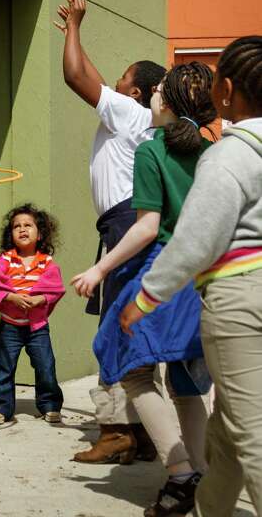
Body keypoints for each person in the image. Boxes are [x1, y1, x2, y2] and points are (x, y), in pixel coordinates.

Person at [120, 36, 262, 517]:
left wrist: (145, 297)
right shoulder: (223, 149)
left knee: (252, 440)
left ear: (226, 90)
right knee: (225, 441)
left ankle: (186, 479)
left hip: (237, 300)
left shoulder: (228, 155)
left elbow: (195, 241)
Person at [73, 62, 217, 517]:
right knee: (187, 380)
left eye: (156, 93)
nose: (149, 98)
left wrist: (100, 269)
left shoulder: (152, 150)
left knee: (130, 366)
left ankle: (179, 473)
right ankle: (200, 473)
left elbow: (147, 227)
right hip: (204, 276)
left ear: (166, 104)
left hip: (163, 273)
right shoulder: (214, 151)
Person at [55, 0, 165, 463]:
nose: (114, 84)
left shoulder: (130, 114)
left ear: (135, 93)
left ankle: (116, 428)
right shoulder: (142, 119)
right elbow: (93, 77)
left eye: (122, 79)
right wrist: (74, 35)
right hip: (125, 222)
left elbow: (78, 77)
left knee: (113, 326)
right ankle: (139, 432)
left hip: (124, 225)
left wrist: (76, 27)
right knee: (132, 324)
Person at [0, 204, 65, 425]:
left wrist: (40, 299)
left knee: (45, 365)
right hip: (10, 325)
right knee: (4, 367)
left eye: (28, 225)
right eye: (16, 226)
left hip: (37, 327)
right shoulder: (6, 259)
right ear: (11, 234)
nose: (22, 229)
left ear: (40, 234)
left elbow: (55, 289)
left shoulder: (46, 262)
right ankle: (1, 407)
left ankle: (50, 406)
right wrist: (11, 297)